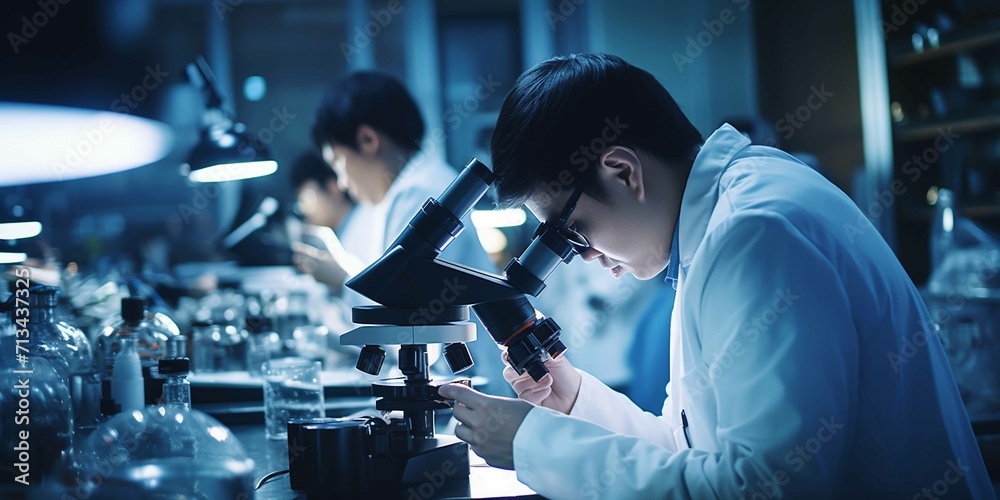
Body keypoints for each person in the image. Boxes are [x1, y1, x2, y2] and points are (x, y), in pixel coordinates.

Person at [437, 53, 994, 498]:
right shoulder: (714, 224)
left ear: (623, 171)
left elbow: (766, 487)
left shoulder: (753, 233)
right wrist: (575, 400)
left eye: (571, 228)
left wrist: (535, 445)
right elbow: (697, 454)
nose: (578, 255)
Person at [311, 71, 507, 395]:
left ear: (367, 140)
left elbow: (413, 317)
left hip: (465, 389)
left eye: (338, 164)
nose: (342, 183)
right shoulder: (400, 194)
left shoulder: (419, 194)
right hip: (450, 386)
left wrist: (341, 278)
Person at [289, 152, 364, 292]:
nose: (304, 208)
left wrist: (339, 279)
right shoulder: (340, 234)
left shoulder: (365, 227)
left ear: (332, 187)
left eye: (307, 197)